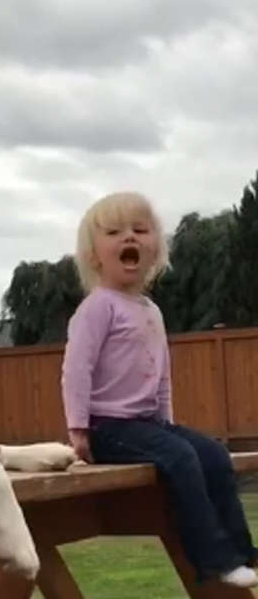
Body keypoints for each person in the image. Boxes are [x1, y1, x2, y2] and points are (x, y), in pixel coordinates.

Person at [62, 191, 258, 587]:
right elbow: (75, 369)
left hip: (150, 426)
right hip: (109, 428)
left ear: (155, 250)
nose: (129, 238)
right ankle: (214, 560)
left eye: (140, 230)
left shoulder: (152, 311)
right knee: (183, 459)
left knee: (215, 455)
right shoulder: (99, 307)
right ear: (95, 255)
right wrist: (78, 428)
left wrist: (167, 422)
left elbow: (161, 375)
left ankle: (243, 552)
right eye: (115, 232)